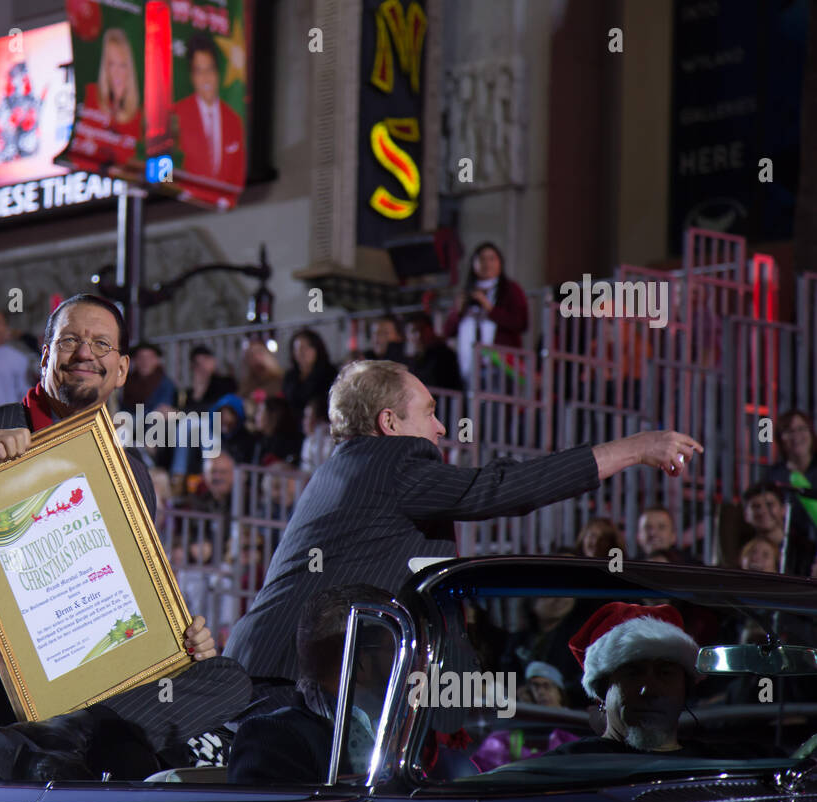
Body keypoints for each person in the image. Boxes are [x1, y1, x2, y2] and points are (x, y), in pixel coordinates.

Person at [0, 293, 250, 780]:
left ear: (120, 370)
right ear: (45, 355)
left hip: (69, 722)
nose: (84, 353)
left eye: (102, 344)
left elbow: (125, 601)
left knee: (228, 679)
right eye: (71, 340)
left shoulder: (130, 475)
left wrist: (179, 643)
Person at [223, 359, 704, 684]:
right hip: (287, 680)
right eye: (430, 413)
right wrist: (634, 448)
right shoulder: (390, 462)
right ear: (390, 423)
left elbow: (492, 481)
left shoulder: (350, 466)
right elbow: (498, 489)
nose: (440, 428)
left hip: (276, 667)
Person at [228, 585, 395, 785]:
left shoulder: (406, 726)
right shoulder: (273, 740)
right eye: (396, 646)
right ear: (358, 662)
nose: (415, 660)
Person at [550, 602, 744, 756]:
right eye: (633, 674)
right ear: (601, 692)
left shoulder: (724, 768)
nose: (649, 690)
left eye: (665, 673)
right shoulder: (565, 768)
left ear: (686, 690)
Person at [440, 242, 529, 387]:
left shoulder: (510, 289)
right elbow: (447, 331)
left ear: (500, 263)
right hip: (469, 365)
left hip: (500, 363)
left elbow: (521, 323)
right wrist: (458, 311)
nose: (487, 263)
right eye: (482, 259)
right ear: (473, 264)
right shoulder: (467, 292)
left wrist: (489, 308)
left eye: (492, 259)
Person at [171, 31, 245, 187]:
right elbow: (163, 172)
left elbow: (239, 177)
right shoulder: (176, 114)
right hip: (183, 206)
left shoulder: (234, 121)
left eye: (210, 69)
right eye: (199, 71)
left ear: (218, 73)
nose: (205, 78)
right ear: (192, 77)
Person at [72, 26, 141, 167]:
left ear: (130, 69)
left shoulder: (139, 117)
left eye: (122, 65)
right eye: (111, 64)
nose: (116, 72)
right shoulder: (89, 95)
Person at [765, 409, 817, 550]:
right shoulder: (774, 475)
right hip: (788, 547)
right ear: (780, 438)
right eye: (788, 431)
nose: (796, 436)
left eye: (801, 429)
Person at [741, 481, 816, 576]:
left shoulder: (807, 550)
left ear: (783, 509)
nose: (763, 511)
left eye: (769, 505)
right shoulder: (744, 549)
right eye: (756, 506)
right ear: (746, 515)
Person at [281, 329, 337, 426]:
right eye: (297, 349)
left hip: (322, 425)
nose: (301, 353)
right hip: (294, 427)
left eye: (305, 348)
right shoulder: (290, 376)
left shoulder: (329, 373)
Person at [402, 315, 463, 392]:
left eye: (422, 330)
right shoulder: (408, 360)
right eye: (413, 331)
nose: (419, 335)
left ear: (431, 330)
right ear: (407, 335)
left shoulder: (444, 355)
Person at [300, 396, 334, 473]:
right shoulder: (308, 440)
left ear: (320, 420)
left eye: (308, 417)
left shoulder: (330, 443)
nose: (304, 422)